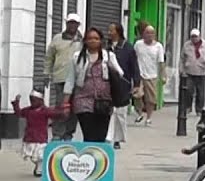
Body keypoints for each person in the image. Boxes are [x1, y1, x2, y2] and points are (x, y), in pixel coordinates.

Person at [64, 27, 124, 143]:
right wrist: (65, 102)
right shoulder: (77, 57)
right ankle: (88, 159)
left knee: (100, 136)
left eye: (96, 38)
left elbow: (120, 73)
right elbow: (70, 80)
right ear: (85, 41)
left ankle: (98, 160)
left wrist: (111, 69)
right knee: (89, 135)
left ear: (101, 40)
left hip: (104, 102)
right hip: (83, 101)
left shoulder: (108, 56)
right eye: (90, 38)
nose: (93, 41)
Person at [44, 12, 82, 140]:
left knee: (74, 108)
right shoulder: (57, 38)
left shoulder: (82, 40)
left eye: (75, 23)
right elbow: (49, 57)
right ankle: (57, 134)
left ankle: (68, 134)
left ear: (78, 25)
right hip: (60, 78)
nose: (72, 25)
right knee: (60, 106)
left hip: (77, 80)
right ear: (66, 23)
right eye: (70, 23)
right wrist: (46, 74)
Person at [105, 22, 139, 150]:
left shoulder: (128, 48)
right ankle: (108, 136)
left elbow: (135, 67)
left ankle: (118, 138)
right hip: (107, 83)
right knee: (109, 111)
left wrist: (136, 84)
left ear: (118, 32)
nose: (109, 33)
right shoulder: (106, 47)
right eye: (109, 30)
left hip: (122, 83)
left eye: (112, 30)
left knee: (120, 113)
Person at [12, 90, 61, 176]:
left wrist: (63, 111)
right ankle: (39, 165)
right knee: (32, 157)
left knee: (40, 155)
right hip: (30, 137)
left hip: (41, 138)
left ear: (41, 101)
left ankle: (40, 168)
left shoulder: (45, 111)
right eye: (31, 100)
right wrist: (16, 103)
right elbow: (19, 113)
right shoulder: (28, 110)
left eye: (34, 100)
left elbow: (55, 114)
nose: (32, 102)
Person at [133, 25, 165, 126]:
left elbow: (161, 62)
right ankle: (139, 113)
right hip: (139, 74)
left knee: (150, 99)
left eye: (152, 33)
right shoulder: (138, 44)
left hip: (152, 75)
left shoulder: (158, 46)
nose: (149, 35)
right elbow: (133, 58)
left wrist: (163, 75)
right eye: (147, 33)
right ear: (143, 34)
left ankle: (149, 118)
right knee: (137, 95)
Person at [181, 28, 205, 112]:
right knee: (189, 91)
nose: (194, 38)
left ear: (199, 36)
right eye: (192, 37)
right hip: (189, 72)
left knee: (201, 93)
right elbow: (182, 58)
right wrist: (181, 69)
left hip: (202, 72)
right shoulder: (186, 45)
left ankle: (199, 109)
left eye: (196, 37)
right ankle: (188, 107)